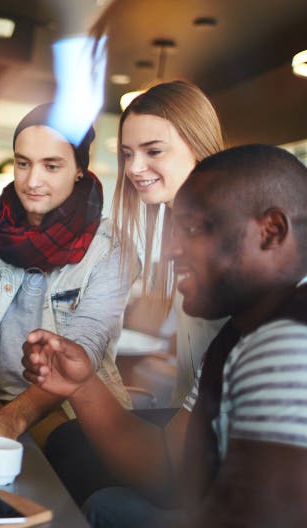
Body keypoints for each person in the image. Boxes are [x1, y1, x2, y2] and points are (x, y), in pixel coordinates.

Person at [23, 145, 307, 528]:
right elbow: (167, 467)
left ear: (270, 232)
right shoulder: (236, 337)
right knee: (107, 506)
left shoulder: (285, 342)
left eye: (193, 230)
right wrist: (82, 384)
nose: (172, 251)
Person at [0, 103, 133, 452]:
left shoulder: (110, 248)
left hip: (67, 413)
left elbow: (82, 352)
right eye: (23, 162)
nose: (32, 181)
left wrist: (13, 419)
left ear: (78, 169)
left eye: (51, 166)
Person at [114, 80, 227, 406]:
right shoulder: (180, 229)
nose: (134, 168)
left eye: (153, 151)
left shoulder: (227, 240)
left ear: (199, 146)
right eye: (127, 154)